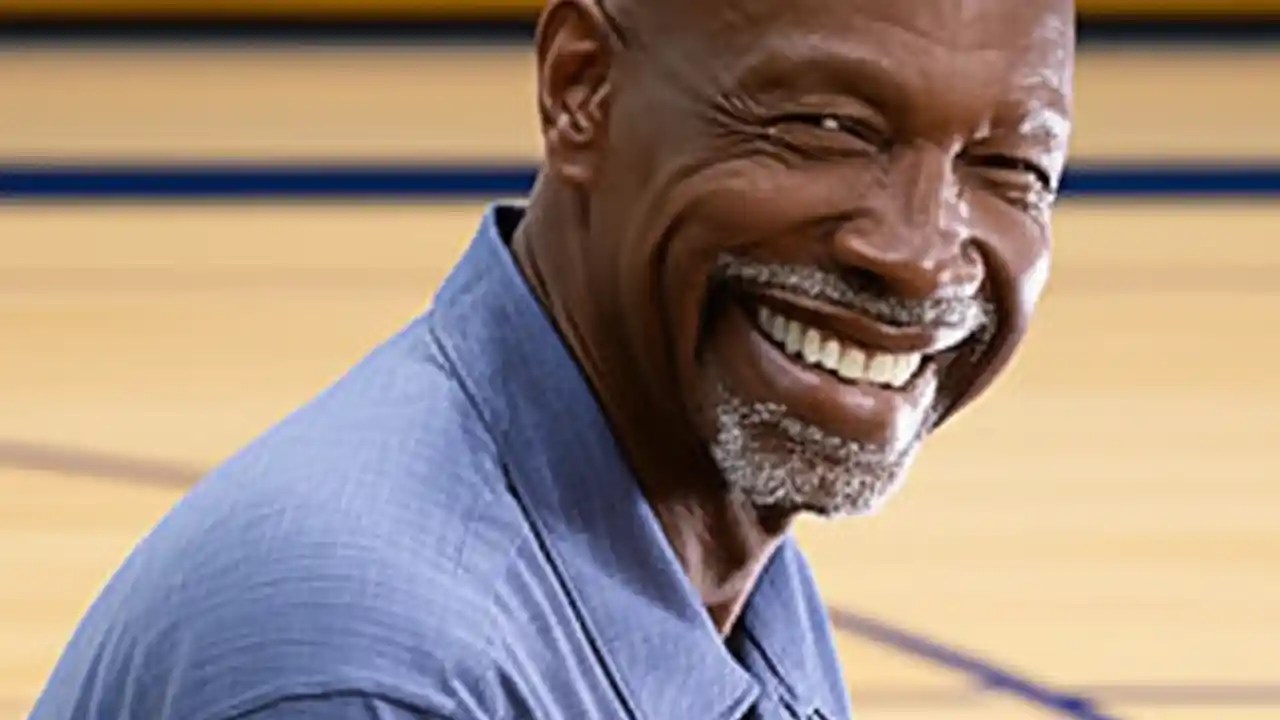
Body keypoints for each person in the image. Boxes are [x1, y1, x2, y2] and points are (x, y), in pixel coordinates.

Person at [32, 0, 1075, 717]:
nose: (919, 254)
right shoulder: (381, 668)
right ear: (582, 89)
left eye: (1010, 168)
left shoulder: (716, 537)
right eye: (828, 128)